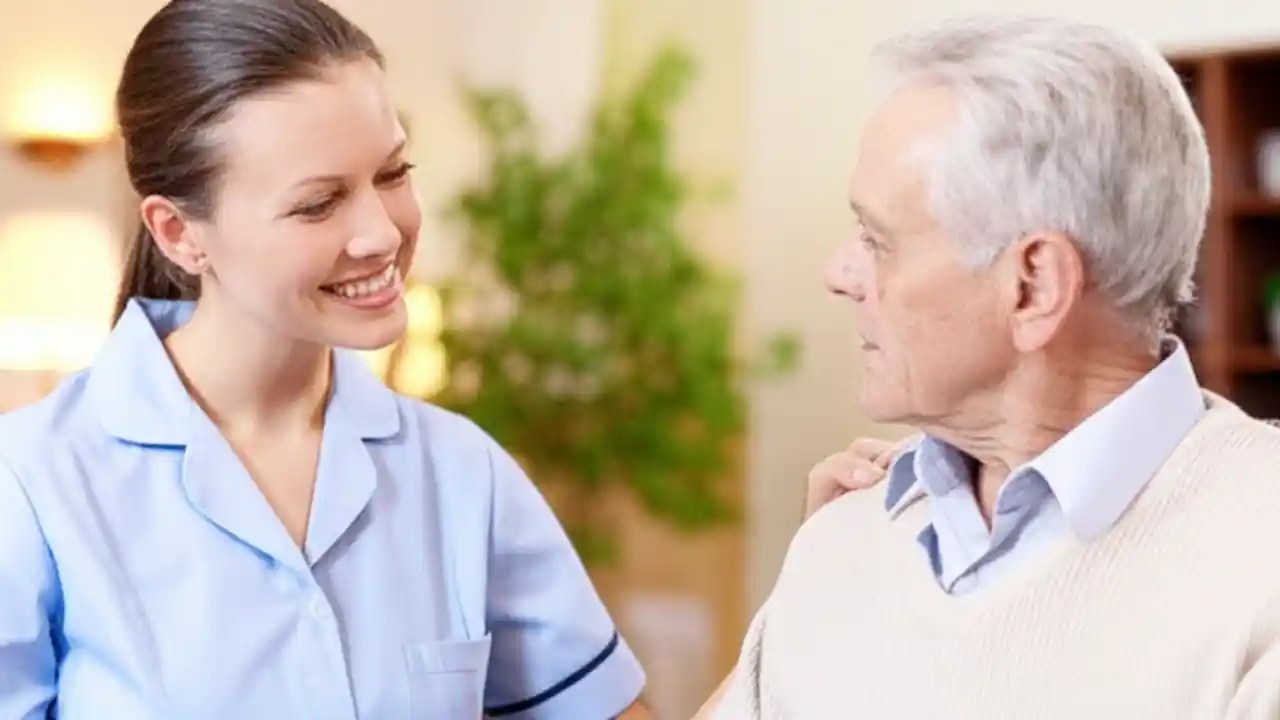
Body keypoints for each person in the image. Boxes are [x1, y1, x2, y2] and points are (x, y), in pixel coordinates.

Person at [0, 1, 649, 717]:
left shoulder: (462, 474)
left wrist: (797, 607)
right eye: (318, 204)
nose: (381, 233)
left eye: (394, 173)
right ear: (180, 232)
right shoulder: (31, 486)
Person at [705, 14, 1280, 719]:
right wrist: (811, 587)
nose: (838, 273)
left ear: (1034, 285)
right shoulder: (835, 540)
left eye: (875, 239)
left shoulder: (1261, 562)